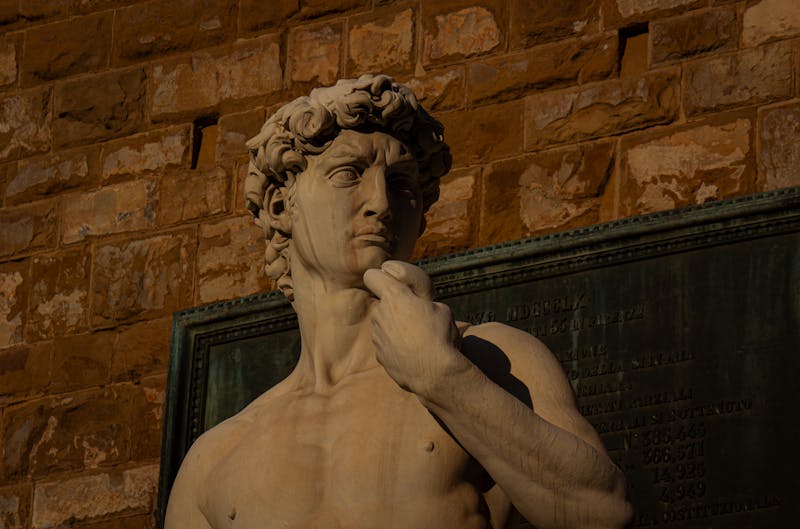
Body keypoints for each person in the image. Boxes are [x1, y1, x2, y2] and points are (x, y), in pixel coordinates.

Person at [164, 75, 632, 529]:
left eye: (403, 185)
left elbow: (603, 511)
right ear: (280, 207)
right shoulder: (215, 460)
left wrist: (444, 380)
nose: (382, 203)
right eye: (348, 174)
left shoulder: (490, 359)